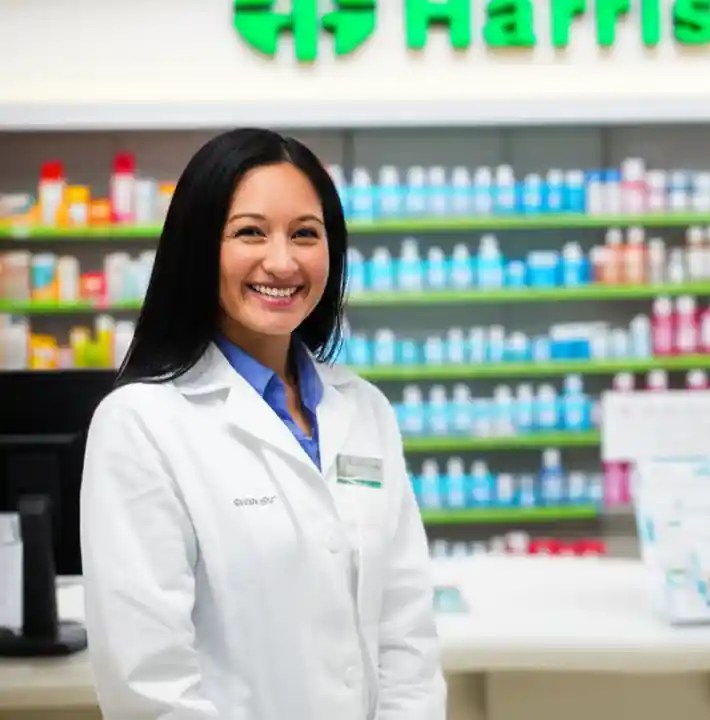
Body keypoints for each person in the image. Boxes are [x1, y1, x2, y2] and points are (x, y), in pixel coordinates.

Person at [80, 128, 446, 719]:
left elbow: (406, 635)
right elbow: (149, 686)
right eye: (250, 231)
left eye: (306, 233)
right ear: (200, 246)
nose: (283, 261)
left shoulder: (365, 411)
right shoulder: (140, 426)